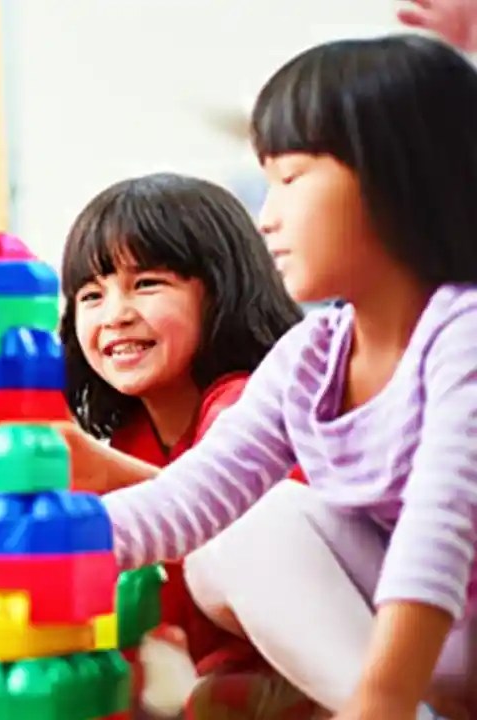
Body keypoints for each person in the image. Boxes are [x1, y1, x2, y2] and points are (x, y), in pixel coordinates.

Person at [70, 34, 477, 719]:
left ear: (396, 180)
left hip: (438, 627)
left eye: (290, 179)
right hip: (430, 655)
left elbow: (439, 531)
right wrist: (14, 546)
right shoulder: (311, 356)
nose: (268, 217)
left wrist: (377, 701)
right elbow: (184, 504)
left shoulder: (461, 333)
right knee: (243, 526)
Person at [56, 173, 305, 717]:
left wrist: (110, 474)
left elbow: (261, 531)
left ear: (221, 289)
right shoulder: (131, 437)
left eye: (146, 283)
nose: (115, 313)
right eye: (91, 295)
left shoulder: (245, 403)